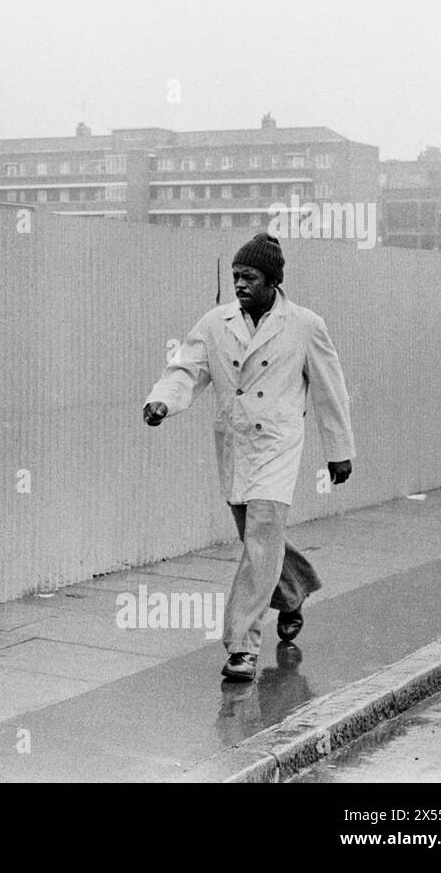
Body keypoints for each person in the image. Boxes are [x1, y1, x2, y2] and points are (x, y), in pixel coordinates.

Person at [142, 232, 355, 681]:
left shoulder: (304, 325)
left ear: (273, 281)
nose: (239, 284)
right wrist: (163, 400)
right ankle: (294, 590)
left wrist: (339, 451)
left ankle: (242, 646)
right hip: (236, 445)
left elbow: (330, 390)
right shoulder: (215, 323)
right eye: (236, 276)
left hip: (278, 446)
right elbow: (186, 369)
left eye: (250, 277)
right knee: (257, 538)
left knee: (261, 536)